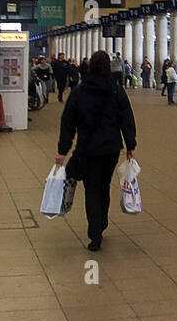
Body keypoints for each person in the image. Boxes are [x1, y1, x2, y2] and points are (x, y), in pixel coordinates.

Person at [56, 50, 137, 252]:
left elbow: (68, 122)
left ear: (90, 66)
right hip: (110, 148)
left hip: (88, 149)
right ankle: (102, 222)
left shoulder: (80, 91)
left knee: (91, 190)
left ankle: (95, 234)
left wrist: (63, 150)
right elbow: (126, 118)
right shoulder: (116, 90)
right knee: (104, 186)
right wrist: (130, 144)